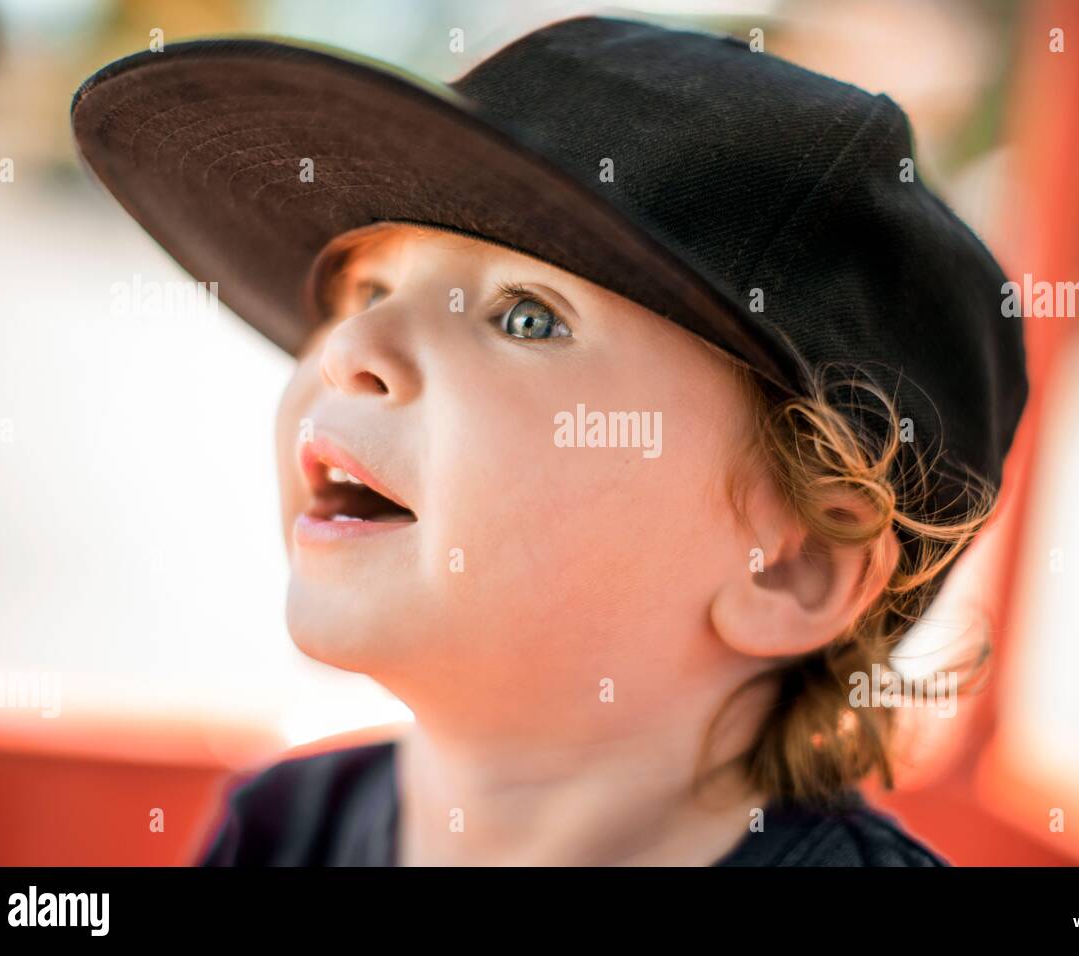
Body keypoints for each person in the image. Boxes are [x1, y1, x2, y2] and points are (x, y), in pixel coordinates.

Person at [70, 14, 1027, 866]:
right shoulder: (280, 830)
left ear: (791, 568)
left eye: (528, 317)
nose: (350, 350)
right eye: (369, 291)